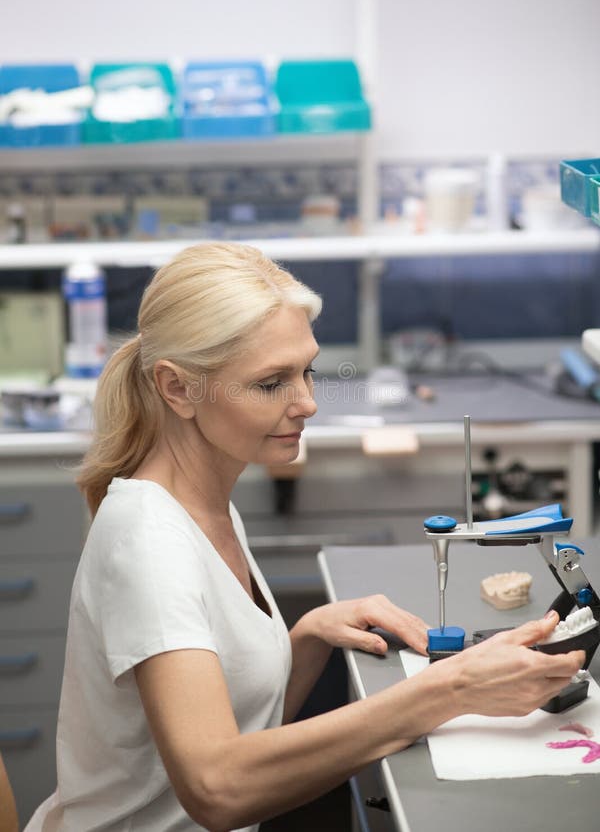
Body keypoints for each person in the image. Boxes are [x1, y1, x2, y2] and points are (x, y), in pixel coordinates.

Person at [26, 243, 583, 832]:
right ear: (179, 389)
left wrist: (304, 639)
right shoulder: (148, 542)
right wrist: (451, 689)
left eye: (307, 370)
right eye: (271, 383)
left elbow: (233, 735)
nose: (309, 403)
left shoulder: (202, 503)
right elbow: (217, 787)